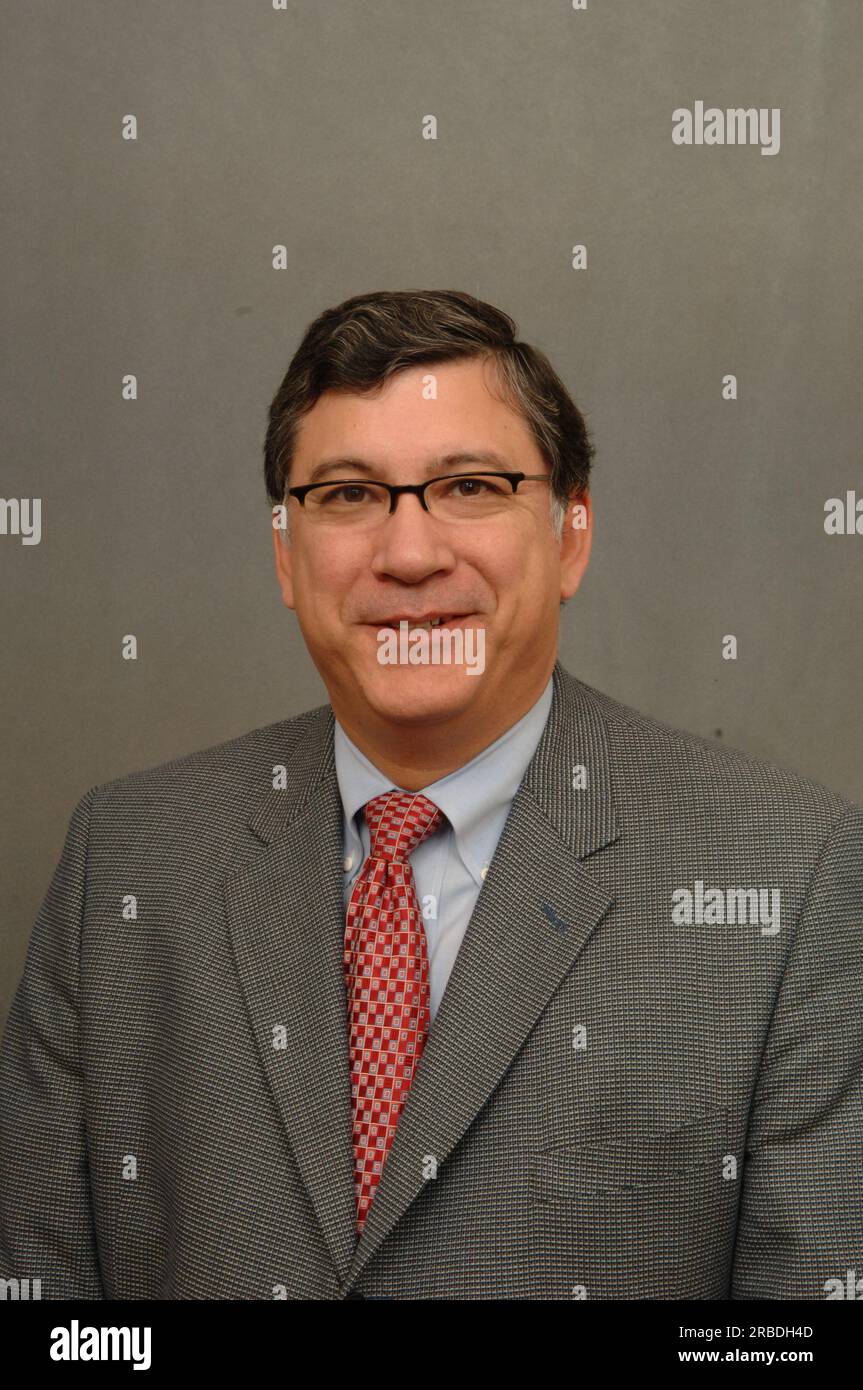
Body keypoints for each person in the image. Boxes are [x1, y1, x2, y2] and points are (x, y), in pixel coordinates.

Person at [1, 289, 861, 1300]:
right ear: (286, 552)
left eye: (467, 485)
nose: (408, 553)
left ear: (568, 535)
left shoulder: (784, 877)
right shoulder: (128, 861)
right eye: (348, 494)